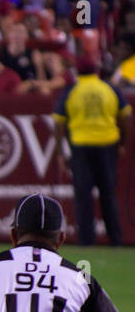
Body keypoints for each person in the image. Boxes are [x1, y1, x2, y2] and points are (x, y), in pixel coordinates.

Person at [52, 56, 129, 246]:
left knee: (83, 195)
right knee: (109, 193)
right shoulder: (109, 88)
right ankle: (116, 239)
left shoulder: (71, 91)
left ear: (77, 72)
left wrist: (60, 152)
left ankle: (87, 241)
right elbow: (127, 116)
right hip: (107, 144)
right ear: (97, 70)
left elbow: (59, 123)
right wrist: (122, 143)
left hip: (81, 146)